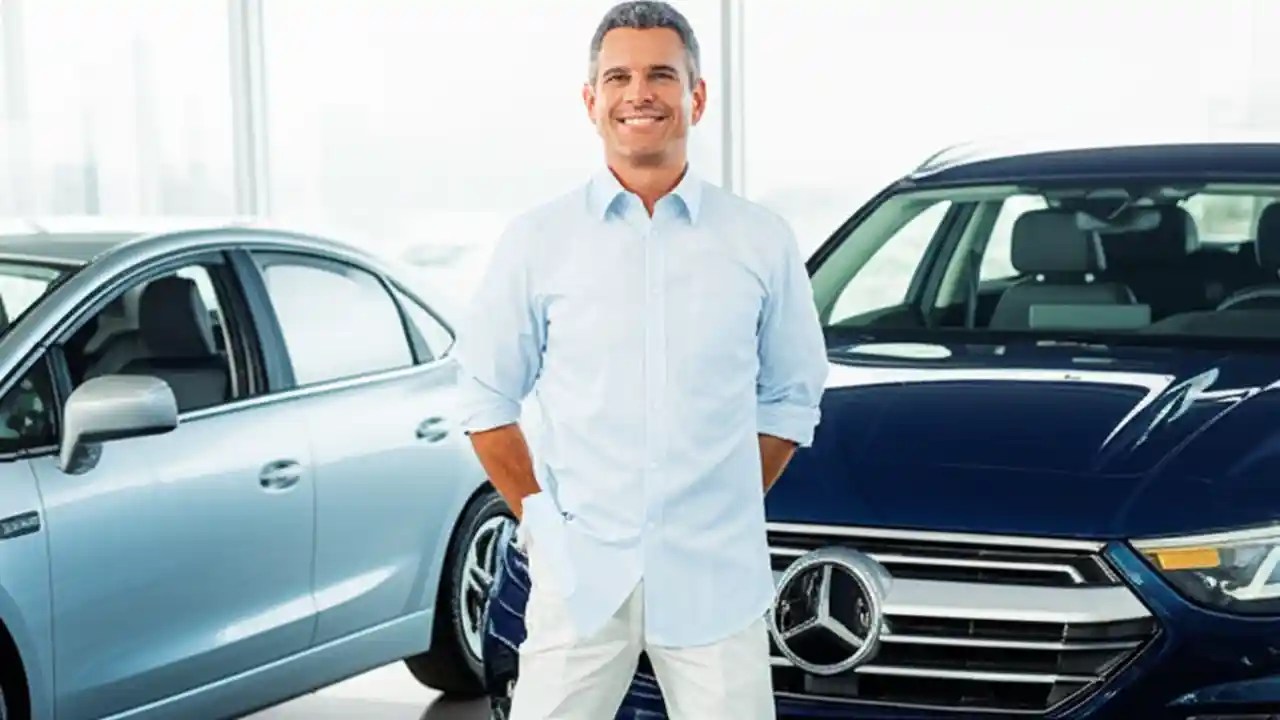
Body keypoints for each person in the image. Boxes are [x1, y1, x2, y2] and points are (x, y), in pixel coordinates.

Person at [452, 1, 829, 717]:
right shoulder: (538, 240)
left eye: (662, 73)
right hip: (580, 575)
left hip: (718, 577)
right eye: (618, 76)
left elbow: (791, 395)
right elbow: (483, 398)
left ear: (698, 95)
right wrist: (542, 525)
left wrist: (723, 501)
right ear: (591, 101)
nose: (640, 93)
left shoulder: (760, 239)